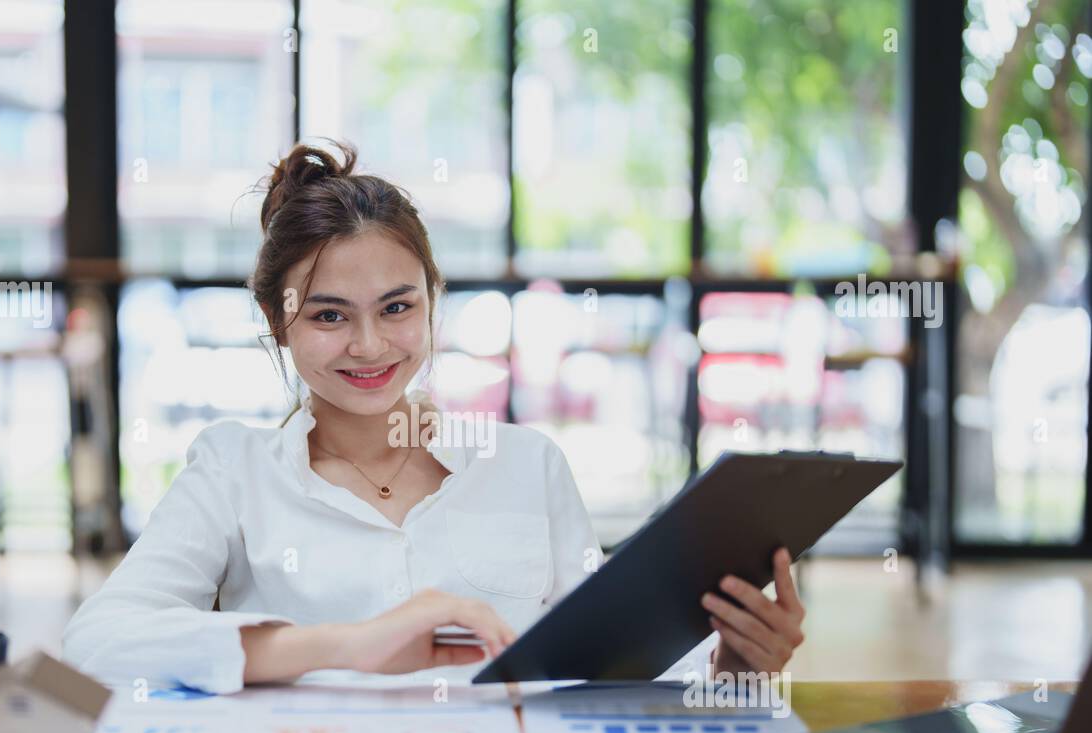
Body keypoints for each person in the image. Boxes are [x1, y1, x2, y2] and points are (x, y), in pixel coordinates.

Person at [62, 141, 805, 695]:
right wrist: (346, 645)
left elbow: (620, 664)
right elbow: (96, 642)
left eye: (397, 307)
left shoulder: (524, 465)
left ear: (432, 300)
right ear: (276, 320)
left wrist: (734, 665)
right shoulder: (233, 471)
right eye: (329, 315)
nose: (370, 345)